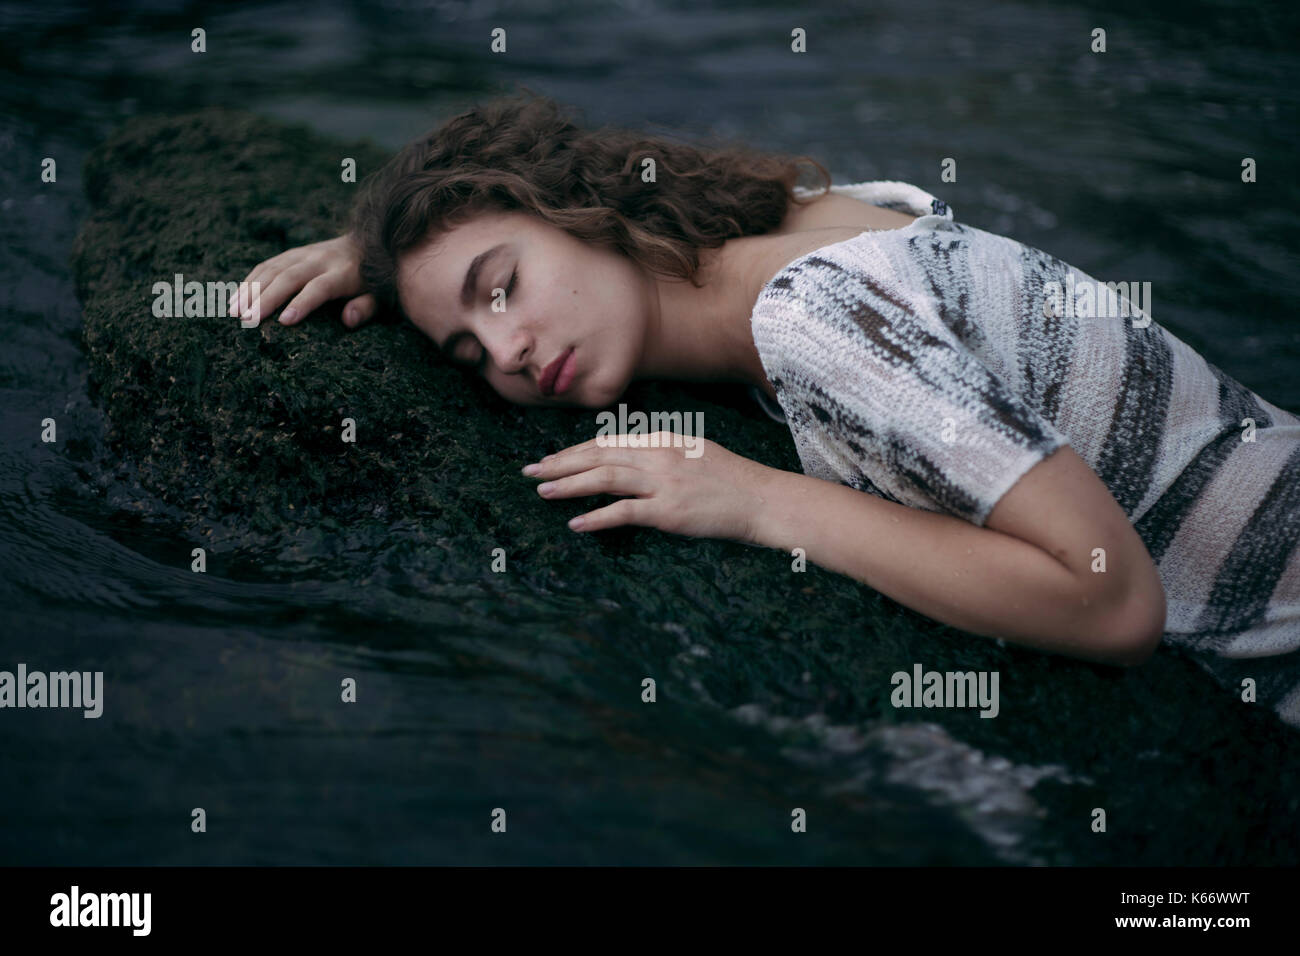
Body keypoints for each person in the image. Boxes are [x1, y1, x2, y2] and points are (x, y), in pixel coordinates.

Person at [229, 92, 1300, 728]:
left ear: (578, 213)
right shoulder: (809, 228)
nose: (505, 348)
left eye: (500, 284)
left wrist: (758, 503)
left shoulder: (814, 318)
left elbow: (1112, 607)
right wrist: (394, 257)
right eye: (467, 348)